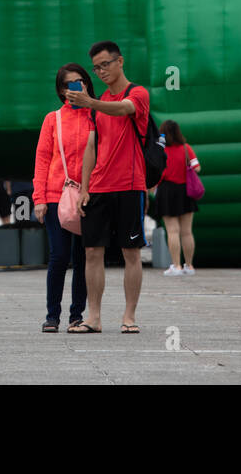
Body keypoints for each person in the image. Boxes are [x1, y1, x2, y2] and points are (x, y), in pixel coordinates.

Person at [70, 41, 150, 333]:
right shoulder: (98, 104)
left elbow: (124, 109)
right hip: (99, 188)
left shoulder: (137, 93)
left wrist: (90, 102)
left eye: (105, 64)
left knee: (131, 252)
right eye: (96, 67)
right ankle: (94, 317)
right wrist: (84, 187)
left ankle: (129, 316)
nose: (101, 71)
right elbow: (91, 146)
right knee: (92, 252)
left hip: (130, 186)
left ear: (120, 61)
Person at [32, 65, 94, 330]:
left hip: (89, 196)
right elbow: (43, 159)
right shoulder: (52, 119)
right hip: (57, 195)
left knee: (84, 258)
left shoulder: (98, 115)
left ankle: (77, 314)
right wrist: (39, 198)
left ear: (88, 85)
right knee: (59, 256)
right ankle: (52, 315)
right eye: (70, 84)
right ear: (61, 90)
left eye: (80, 82)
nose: (76, 87)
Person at [156, 119, 201, 276]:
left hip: (166, 191)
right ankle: (189, 266)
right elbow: (197, 167)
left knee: (173, 231)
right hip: (185, 191)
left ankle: (176, 266)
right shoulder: (186, 148)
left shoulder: (161, 151)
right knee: (187, 232)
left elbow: (157, 173)